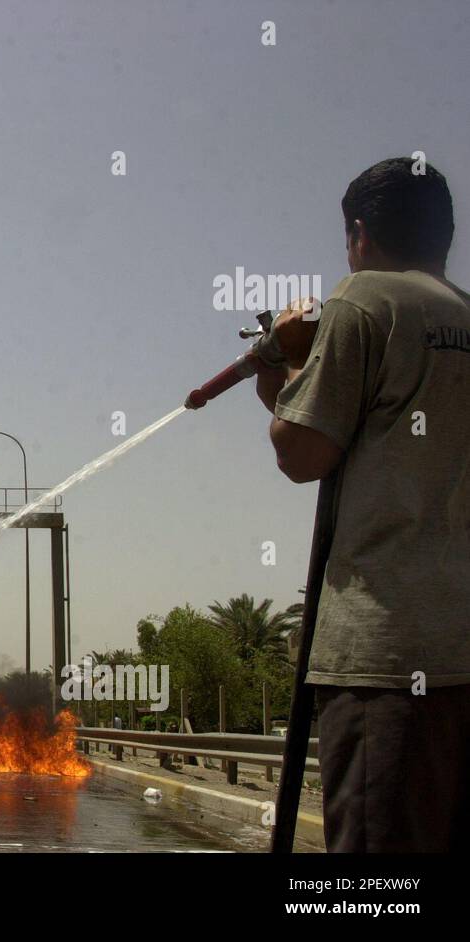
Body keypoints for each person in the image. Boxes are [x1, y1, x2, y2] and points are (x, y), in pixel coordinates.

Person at [255, 157, 470, 852]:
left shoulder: (362, 300)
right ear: (447, 235)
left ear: (358, 234)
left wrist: (290, 359)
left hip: (386, 656)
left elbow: (303, 454)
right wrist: (293, 379)